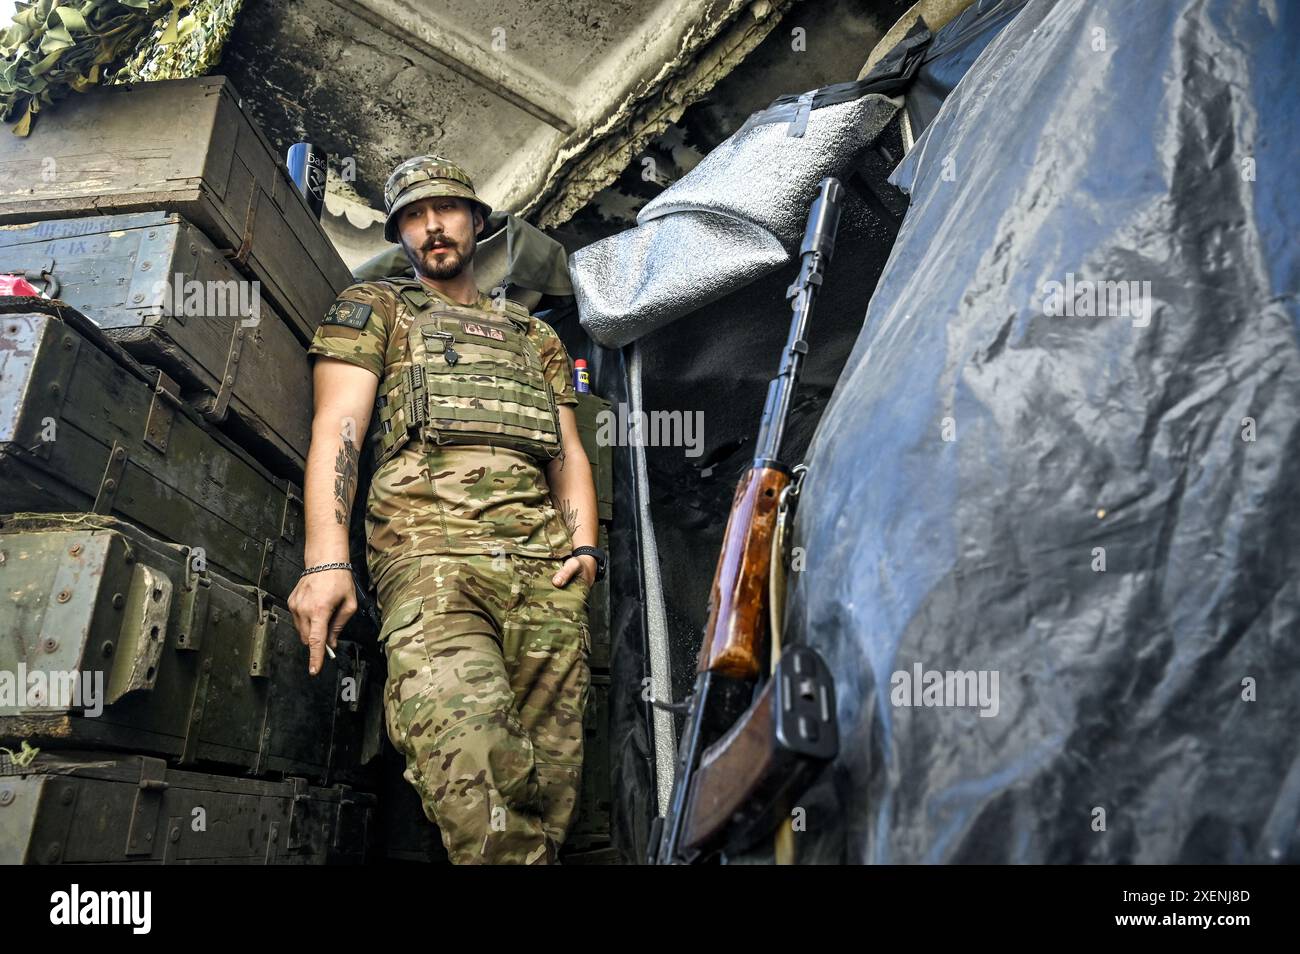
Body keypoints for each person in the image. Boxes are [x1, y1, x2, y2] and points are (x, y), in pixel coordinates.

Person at [288, 155, 606, 864]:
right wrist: (327, 561)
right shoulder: (378, 309)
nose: (432, 226)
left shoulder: (536, 338)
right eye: (411, 215)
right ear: (400, 233)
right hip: (433, 565)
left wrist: (583, 551)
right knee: (471, 772)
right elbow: (336, 429)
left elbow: (569, 455)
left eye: (447, 209)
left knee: (551, 795)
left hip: (543, 574)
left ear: (477, 222)